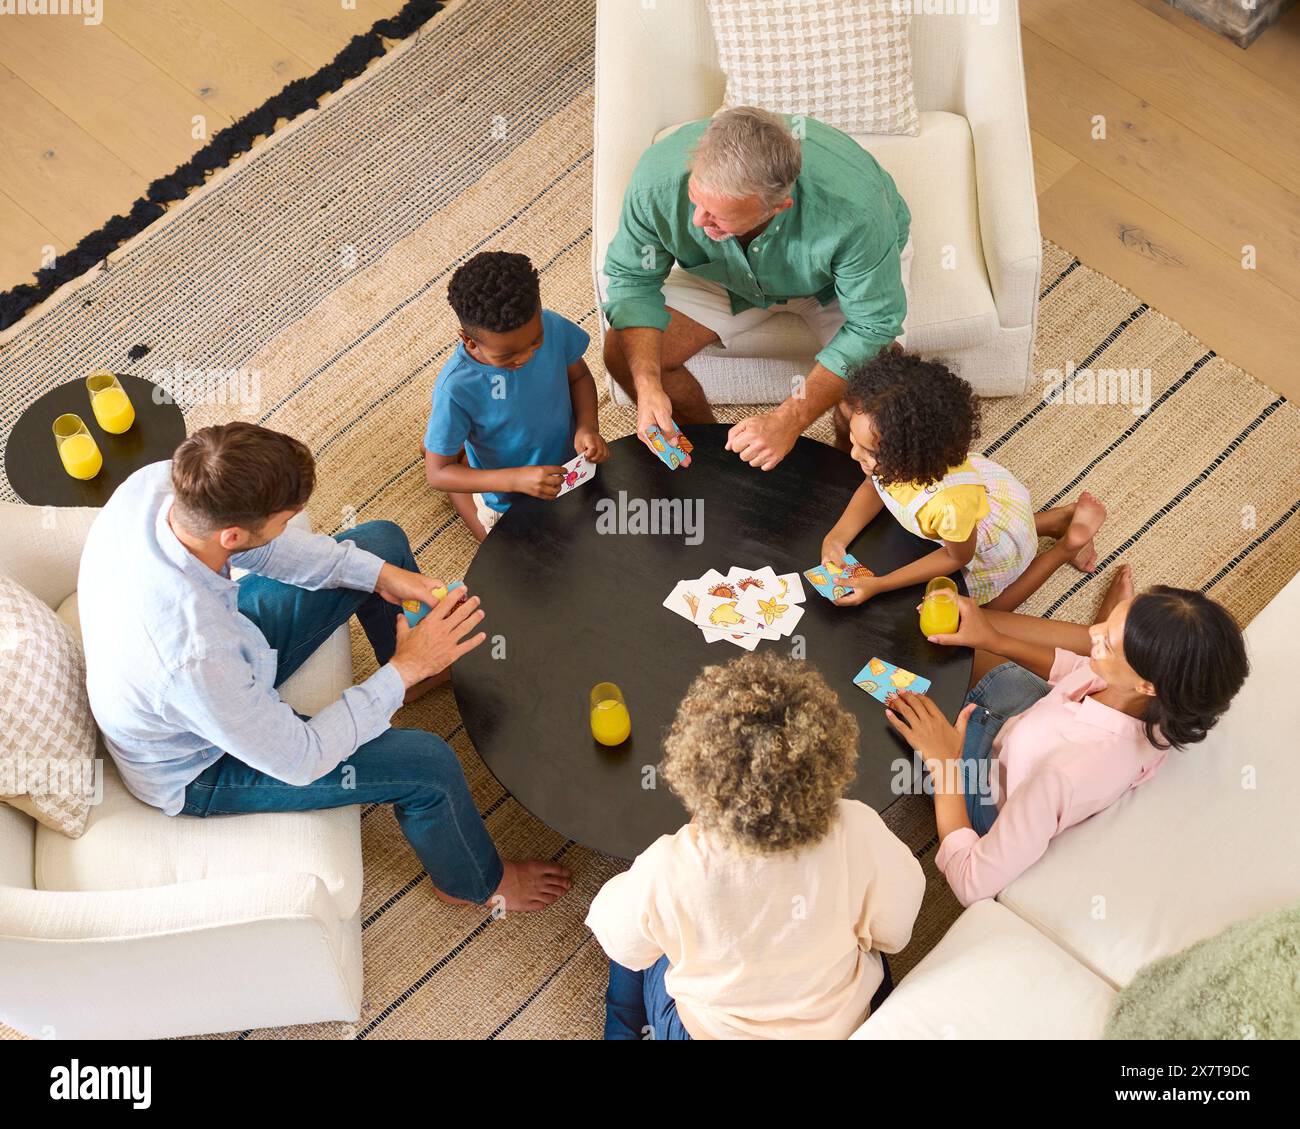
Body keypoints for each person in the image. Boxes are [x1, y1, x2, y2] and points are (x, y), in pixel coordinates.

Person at [77, 422, 570, 912]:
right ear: (231, 534)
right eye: (283, 518)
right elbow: (300, 759)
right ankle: (474, 882)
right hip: (200, 764)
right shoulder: (193, 657)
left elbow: (267, 548)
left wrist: (386, 577)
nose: (291, 525)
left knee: (379, 545)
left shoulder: (163, 486)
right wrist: (404, 669)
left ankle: (412, 678)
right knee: (427, 764)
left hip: (226, 650)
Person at [586, 653, 924, 1039]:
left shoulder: (670, 868)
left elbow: (619, 940)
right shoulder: (857, 827)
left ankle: (623, 1031)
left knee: (634, 921)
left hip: (707, 1031)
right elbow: (895, 934)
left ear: (697, 776)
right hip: (841, 1026)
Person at [883, 568, 1249, 905]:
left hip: (987, 792)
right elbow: (1074, 668)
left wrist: (945, 764)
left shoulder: (1064, 776)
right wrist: (994, 639)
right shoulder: (1160, 706)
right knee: (985, 662)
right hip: (1024, 722)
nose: (1090, 635)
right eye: (1107, 624)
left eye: (1107, 642)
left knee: (898, 733)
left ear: (1146, 684)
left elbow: (972, 883)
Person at [600, 105, 911, 472]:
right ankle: (710, 463)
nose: (698, 221)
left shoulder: (855, 211)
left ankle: (844, 479)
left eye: (716, 215)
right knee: (622, 352)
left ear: (778, 207)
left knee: (877, 401)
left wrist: (789, 420)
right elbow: (632, 281)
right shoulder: (657, 180)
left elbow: (873, 325)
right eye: (696, 201)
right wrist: (648, 384)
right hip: (727, 274)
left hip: (833, 283)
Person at [822, 352, 1107, 610]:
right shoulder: (894, 461)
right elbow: (874, 486)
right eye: (853, 439)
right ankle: (1055, 520)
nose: (855, 454)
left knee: (981, 613)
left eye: (869, 451)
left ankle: (1065, 546)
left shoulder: (949, 507)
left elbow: (955, 558)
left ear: (909, 455)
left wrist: (881, 584)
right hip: (975, 511)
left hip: (979, 545)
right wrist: (836, 538)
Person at [423, 251, 609, 540]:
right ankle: (445, 454)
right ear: (469, 340)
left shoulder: (553, 326)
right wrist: (516, 480)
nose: (525, 357)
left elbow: (580, 377)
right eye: (507, 355)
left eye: (536, 342)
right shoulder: (456, 389)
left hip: (573, 471)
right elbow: (436, 473)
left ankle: (446, 445)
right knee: (515, 569)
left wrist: (587, 426)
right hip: (507, 500)